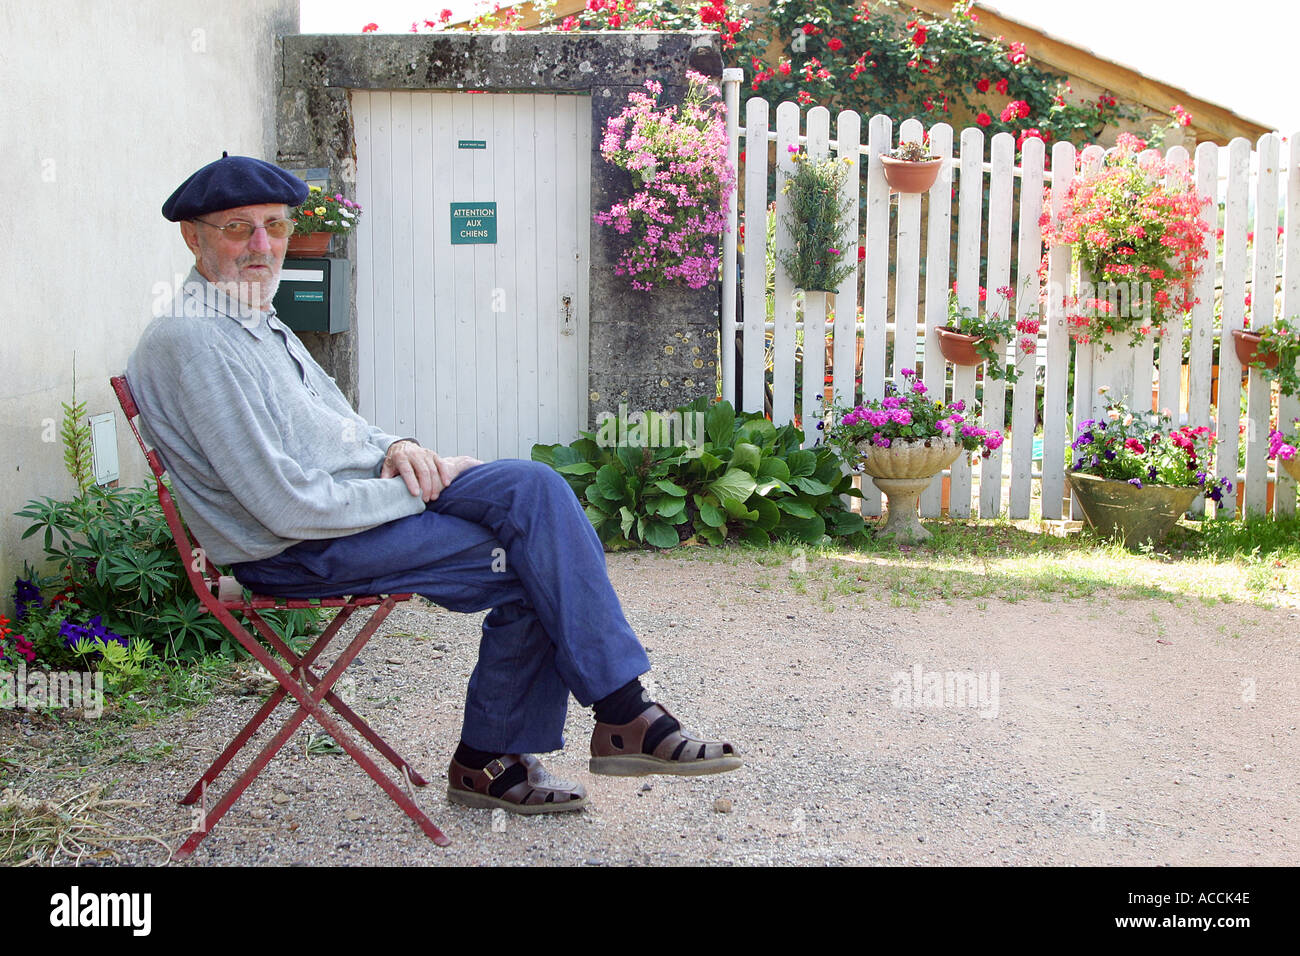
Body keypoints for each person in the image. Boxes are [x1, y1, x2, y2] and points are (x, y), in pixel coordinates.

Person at [126, 154, 740, 816]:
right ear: (193, 236)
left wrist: (401, 448)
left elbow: (341, 425)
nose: (263, 246)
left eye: (274, 226)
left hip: (353, 509)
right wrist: (418, 489)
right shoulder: (192, 340)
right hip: (295, 546)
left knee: (531, 490)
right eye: (238, 228)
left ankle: (603, 725)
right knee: (536, 563)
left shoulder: (254, 317)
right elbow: (283, 505)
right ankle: (536, 746)